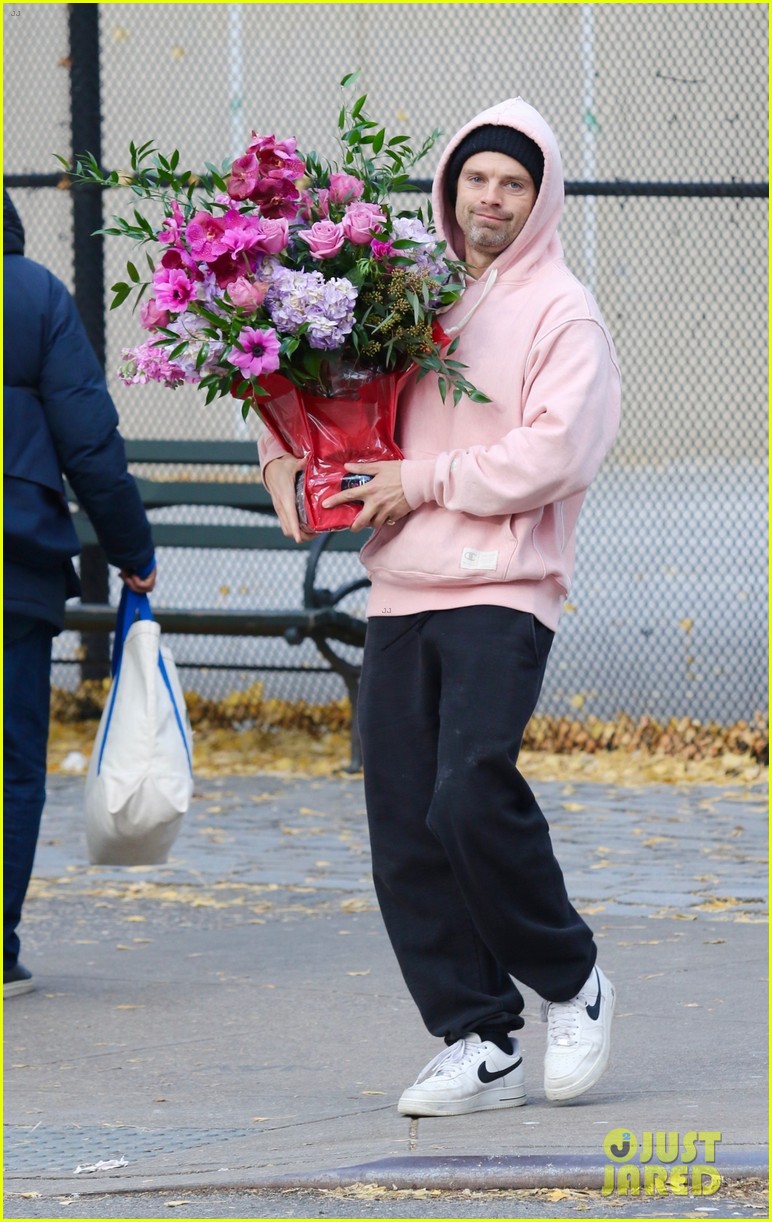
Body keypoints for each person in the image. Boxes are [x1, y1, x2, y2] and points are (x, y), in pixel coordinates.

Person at [260, 98, 622, 1115]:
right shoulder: (403, 295)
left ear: (539, 196)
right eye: (476, 179)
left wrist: (422, 480)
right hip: (400, 587)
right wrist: (286, 462)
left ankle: (570, 980)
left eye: (512, 182)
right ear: (451, 188)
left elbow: (559, 451)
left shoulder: (563, 312)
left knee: (467, 793)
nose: (491, 198)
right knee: (401, 823)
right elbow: (315, 386)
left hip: (503, 588)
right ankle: (479, 1036)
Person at [3, 189, 157, 998]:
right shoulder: (31, 295)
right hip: (12, 560)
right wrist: (132, 550)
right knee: (10, 759)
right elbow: (88, 439)